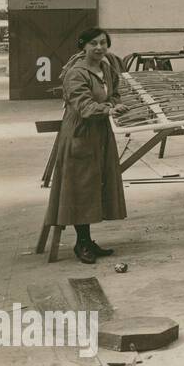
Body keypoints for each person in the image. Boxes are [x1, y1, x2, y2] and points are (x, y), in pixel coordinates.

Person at [43, 28, 129, 264]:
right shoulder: (76, 73)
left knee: (96, 184)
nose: (99, 48)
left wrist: (114, 103)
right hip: (81, 134)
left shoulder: (107, 69)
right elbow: (83, 105)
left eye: (103, 43)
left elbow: (116, 93)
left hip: (100, 133)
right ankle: (81, 243)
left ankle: (88, 240)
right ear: (83, 47)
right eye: (94, 44)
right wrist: (108, 109)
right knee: (81, 187)